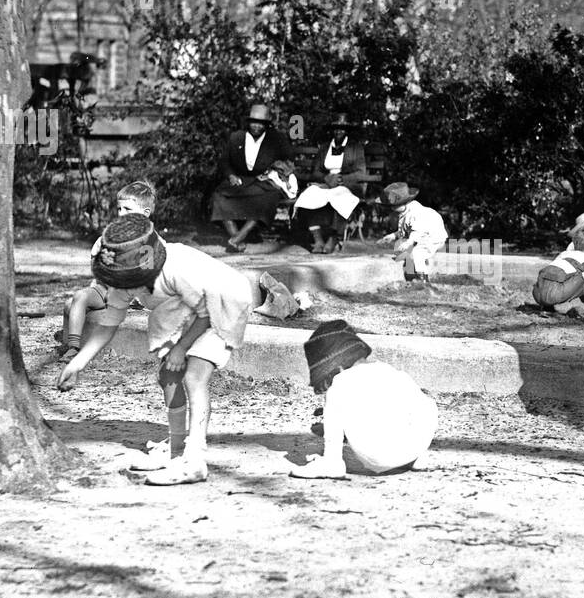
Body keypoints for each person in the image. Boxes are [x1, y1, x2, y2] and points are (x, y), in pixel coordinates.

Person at [56, 214, 255, 486]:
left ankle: (195, 461)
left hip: (223, 299)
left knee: (194, 375)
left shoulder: (177, 268)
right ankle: (175, 454)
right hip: (181, 305)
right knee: (168, 376)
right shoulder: (124, 281)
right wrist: (77, 363)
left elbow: (207, 312)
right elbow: (107, 326)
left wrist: (182, 348)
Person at [289, 320, 438, 478]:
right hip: (415, 446)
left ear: (337, 367)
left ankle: (332, 462)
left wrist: (335, 430)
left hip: (379, 456)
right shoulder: (388, 370)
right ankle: (417, 457)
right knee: (423, 401)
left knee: (335, 392)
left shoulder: (342, 382)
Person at [56, 180, 156, 360]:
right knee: (78, 298)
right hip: (105, 291)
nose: (121, 214)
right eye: (119, 209)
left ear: (145, 213)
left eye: (128, 209)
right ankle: (73, 348)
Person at [209, 102, 292, 253]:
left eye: (261, 123)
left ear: (267, 125)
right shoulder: (237, 137)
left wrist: (274, 171)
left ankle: (241, 235)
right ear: (248, 122)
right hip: (240, 180)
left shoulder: (276, 139)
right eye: (254, 122)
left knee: (269, 197)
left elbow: (288, 161)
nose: (256, 126)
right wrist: (231, 175)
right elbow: (224, 161)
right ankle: (236, 238)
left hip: (263, 182)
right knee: (219, 196)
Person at [293, 114, 368, 254]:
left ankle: (333, 238)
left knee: (341, 198)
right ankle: (318, 239)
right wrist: (326, 178)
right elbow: (315, 171)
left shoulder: (355, 148)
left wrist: (342, 179)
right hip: (326, 183)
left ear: (347, 131)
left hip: (347, 185)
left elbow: (360, 172)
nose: (338, 132)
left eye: (342, 129)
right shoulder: (324, 148)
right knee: (309, 195)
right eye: (335, 129)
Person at [531, 211, 584, 320]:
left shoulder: (565, 253)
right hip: (555, 292)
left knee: (556, 272)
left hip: (537, 291)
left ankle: (546, 308)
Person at [377, 182, 447, 282]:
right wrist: (393, 235)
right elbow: (407, 229)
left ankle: (422, 279)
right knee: (409, 253)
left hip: (433, 237)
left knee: (417, 252)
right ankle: (416, 274)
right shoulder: (404, 212)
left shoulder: (417, 213)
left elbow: (417, 232)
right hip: (422, 236)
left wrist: (409, 243)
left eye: (394, 206)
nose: (392, 208)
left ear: (405, 202)